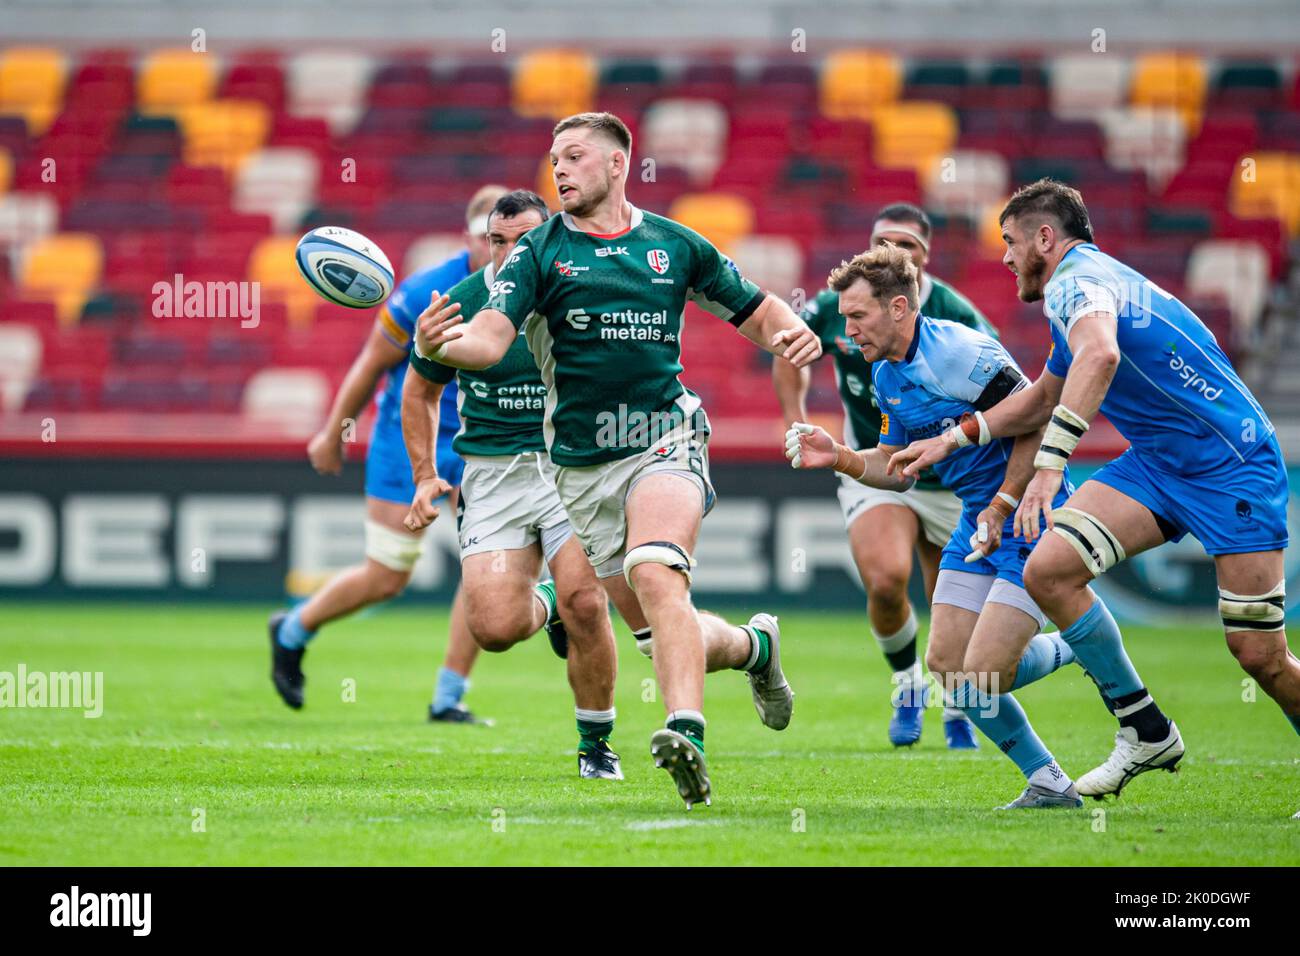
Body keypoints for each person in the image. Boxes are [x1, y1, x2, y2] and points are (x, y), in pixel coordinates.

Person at [413, 111, 822, 808]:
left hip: (663, 434)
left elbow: (754, 310)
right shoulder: (538, 253)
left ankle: (684, 731)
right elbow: (486, 338)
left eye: (574, 156)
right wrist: (436, 344)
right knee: (654, 628)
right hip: (579, 467)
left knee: (654, 570)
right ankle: (754, 648)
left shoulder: (673, 244)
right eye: (554, 159)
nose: (560, 169)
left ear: (616, 165)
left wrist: (792, 333)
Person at [890, 178, 1299, 799]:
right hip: (1159, 462)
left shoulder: (1074, 284)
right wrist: (954, 439)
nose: (1004, 256)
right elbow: (1039, 400)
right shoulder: (1087, 286)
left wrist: (1050, 464)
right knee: (1049, 569)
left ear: (1045, 240)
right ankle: (1144, 728)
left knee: (1259, 657)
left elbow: (1101, 357)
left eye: (1011, 242)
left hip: (1231, 466)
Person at [786, 244, 1084, 808]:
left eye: (856, 316)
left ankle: (1110, 683)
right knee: (949, 667)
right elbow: (896, 470)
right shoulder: (886, 374)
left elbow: (1036, 418)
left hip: (1024, 513)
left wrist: (1004, 502)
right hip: (977, 516)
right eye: (843, 318)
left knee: (985, 672)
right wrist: (842, 456)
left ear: (898, 307)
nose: (845, 331)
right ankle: (1049, 780)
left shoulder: (962, 351)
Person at [402, 189, 622, 778]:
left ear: (550, 240)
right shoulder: (463, 304)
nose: (507, 252)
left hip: (569, 469)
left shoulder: (587, 299)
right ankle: (545, 604)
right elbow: (418, 389)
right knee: (495, 630)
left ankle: (595, 743)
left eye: (522, 240)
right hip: (493, 476)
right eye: (497, 241)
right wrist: (425, 476)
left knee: (586, 600)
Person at [268, 186, 506, 724]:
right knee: (387, 575)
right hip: (409, 436)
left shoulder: (532, 284)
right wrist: (335, 432)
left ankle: (448, 696)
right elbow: (371, 364)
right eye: (488, 238)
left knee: (486, 570)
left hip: (484, 440)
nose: (499, 249)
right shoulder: (424, 290)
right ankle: (292, 628)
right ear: (470, 237)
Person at [773, 203, 998, 749]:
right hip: (879, 460)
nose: (895, 253)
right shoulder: (841, 306)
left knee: (946, 595)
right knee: (885, 576)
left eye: (908, 245)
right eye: (884, 242)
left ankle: (959, 699)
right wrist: (797, 421)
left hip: (955, 481)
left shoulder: (960, 319)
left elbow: (1012, 400)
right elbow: (789, 353)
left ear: (924, 260)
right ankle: (907, 685)